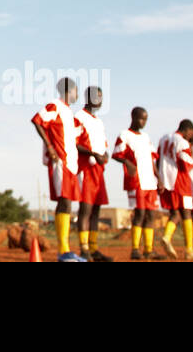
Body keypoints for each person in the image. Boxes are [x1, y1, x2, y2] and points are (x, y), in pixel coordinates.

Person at [32, 76, 85, 261]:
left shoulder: (69, 112)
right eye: (76, 90)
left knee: (68, 203)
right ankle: (63, 251)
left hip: (71, 163)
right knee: (65, 201)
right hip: (60, 161)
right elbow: (38, 121)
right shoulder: (55, 105)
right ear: (69, 90)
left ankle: (66, 250)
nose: (77, 94)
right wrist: (50, 147)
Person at [112, 106, 160, 260]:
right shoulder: (124, 135)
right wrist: (126, 162)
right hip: (136, 181)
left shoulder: (146, 137)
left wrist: (159, 178)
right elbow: (116, 154)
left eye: (145, 119)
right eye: (141, 118)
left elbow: (152, 159)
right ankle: (135, 249)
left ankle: (149, 249)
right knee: (139, 213)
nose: (143, 122)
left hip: (150, 182)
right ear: (133, 117)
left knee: (151, 215)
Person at [156, 119, 193, 260]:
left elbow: (158, 159)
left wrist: (159, 178)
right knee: (187, 213)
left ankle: (166, 237)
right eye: (191, 133)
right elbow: (186, 164)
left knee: (175, 213)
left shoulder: (164, 138)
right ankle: (189, 251)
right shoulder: (182, 142)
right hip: (179, 181)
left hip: (165, 181)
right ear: (189, 130)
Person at [73, 85, 112, 262]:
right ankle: (84, 249)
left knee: (96, 209)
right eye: (97, 97)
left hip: (99, 170)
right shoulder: (79, 117)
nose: (100, 100)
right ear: (88, 97)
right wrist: (92, 154)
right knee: (85, 209)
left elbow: (104, 145)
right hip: (85, 168)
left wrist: (104, 155)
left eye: (102, 97)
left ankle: (94, 248)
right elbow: (74, 142)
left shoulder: (98, 121)